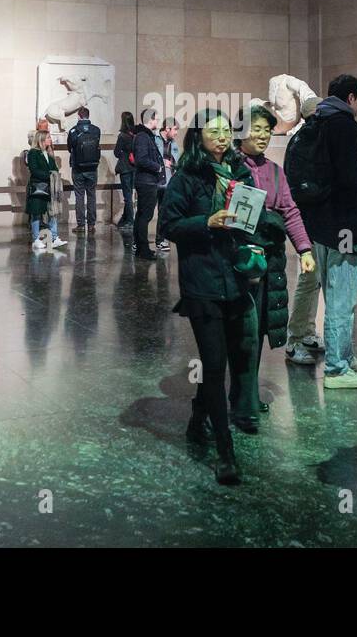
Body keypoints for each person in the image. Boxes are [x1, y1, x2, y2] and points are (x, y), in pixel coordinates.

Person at [158, 109, 263, 484]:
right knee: (215, 366)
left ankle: (197, 416)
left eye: (225, 132)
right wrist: (206, 221)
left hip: (236, 280)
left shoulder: (240, 172)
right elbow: (168, 225)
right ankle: (225, 451)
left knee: (229, 360)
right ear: (199, 137)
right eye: (213, 132)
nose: (221, 138)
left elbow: (256, 216)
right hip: (201, 283)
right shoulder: (187, 177)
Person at [228, 104, 315, 433]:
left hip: (271, 262)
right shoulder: (231, 167)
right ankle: (242, 396)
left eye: (267, 129)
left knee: (261, 327)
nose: (262, 135)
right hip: (239, 262)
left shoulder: (276, 171)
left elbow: (290, 211)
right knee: (242, 332)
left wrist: (304, 248)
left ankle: (246, 392)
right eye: (256, 128)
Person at [291, 74, 357, 388]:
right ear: (351, 98)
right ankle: (338, 368)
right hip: (344, 225)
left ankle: (344, 355)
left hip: (320, 225)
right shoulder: (344, 126)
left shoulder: (316, 124)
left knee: (331, 292)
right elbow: (349, 177)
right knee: (342, 298)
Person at [284, 96, 324, 364]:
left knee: (313, 279)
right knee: (309, 279)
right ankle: (294, 338)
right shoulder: (307, 140)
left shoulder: (302, 139)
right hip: (310, 219)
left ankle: (306, 332)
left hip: (311, 218)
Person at [26, 129, 68, 252]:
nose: (51, 140)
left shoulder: (49, 153)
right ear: (41, 139)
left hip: (50, 187)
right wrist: (49, 175)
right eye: (49, 137)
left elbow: (54, 168)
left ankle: (54, 238)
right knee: (36, 212)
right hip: (38, 186)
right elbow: (34, 170)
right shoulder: (33, 153)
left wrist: (54, 175)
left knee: (52, 212)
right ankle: (36, 239)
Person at [131, 108, 164, 260]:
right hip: (146, 182)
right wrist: (158, 167)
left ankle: (140, 247)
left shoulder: (144, 136)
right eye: (156, 119)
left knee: (142, 215)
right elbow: (141, 159)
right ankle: (143, 249)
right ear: (150, 120)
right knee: (145, 216)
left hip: (147, 181)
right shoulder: (143, 137)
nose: (158, 122)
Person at [66, 107, 102, 234]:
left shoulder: (73, 131)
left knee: (79, 196)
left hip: (78, 168)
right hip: (92, 168)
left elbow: (70, 148)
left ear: (79, 116)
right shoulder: (96, 130)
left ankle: (81, 225)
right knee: (92, 195)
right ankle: (91, 224)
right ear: (88, 115)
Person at [155, 116, 180, 253]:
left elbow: (177, 163)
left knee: (163, 212)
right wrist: (162, 163)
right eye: (175, 129)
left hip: (167, 183)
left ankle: (161, 240)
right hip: (154, 181)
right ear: (167, 128)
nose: (176, 133)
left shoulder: (174, 144)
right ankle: (138, 241)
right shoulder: (154, 140)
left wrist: (173, 165)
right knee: (145, 213)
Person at [113, 111, 136, 228]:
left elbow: (116, 152)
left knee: (127, 196)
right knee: (130, 194)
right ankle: (125, 219)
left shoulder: (122, 136)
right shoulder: (135, 135)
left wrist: (122, 153)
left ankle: (130, 221)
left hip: (125, 169)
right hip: (134, 168)